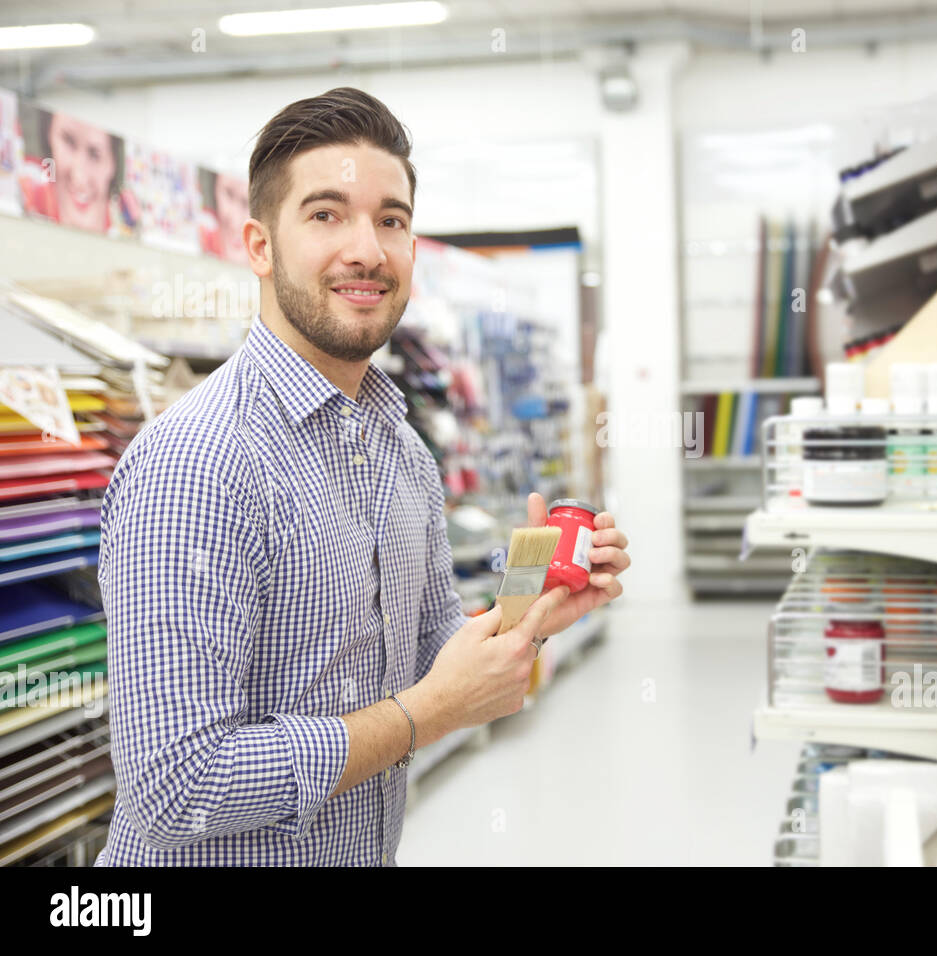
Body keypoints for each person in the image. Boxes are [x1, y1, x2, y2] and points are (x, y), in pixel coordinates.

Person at [93, 87, 629, 866]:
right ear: (259, 245)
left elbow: (422, 654)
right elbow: (178, 787)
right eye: (325, 214)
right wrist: (420, 719)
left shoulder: (400, 449)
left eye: (391, 219)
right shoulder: (197, 465)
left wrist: (532, 608)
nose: (368, 250)